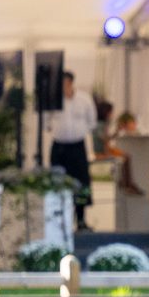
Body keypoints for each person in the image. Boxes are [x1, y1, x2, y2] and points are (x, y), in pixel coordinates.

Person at [47, 71, 97, 230]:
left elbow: (92, 121)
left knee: (81, 184)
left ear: (71, 83)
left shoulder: (84, 99)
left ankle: (81, 219)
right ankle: (60, 220)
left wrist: (79, 131)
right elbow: (46, 122)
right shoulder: (53, 100)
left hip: (77, 146)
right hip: (59, 146)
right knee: (58, 183)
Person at [93, 100, 143, 195]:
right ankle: (126, 183)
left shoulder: (102, 124)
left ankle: (126, 182)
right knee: (126, 157)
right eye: (111, 112)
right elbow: (105, 139)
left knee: (126, 156)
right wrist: (116, 131)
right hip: (101, 152)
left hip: (106, 150)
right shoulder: (99, 125)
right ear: (106, 112)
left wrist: (116, 131)